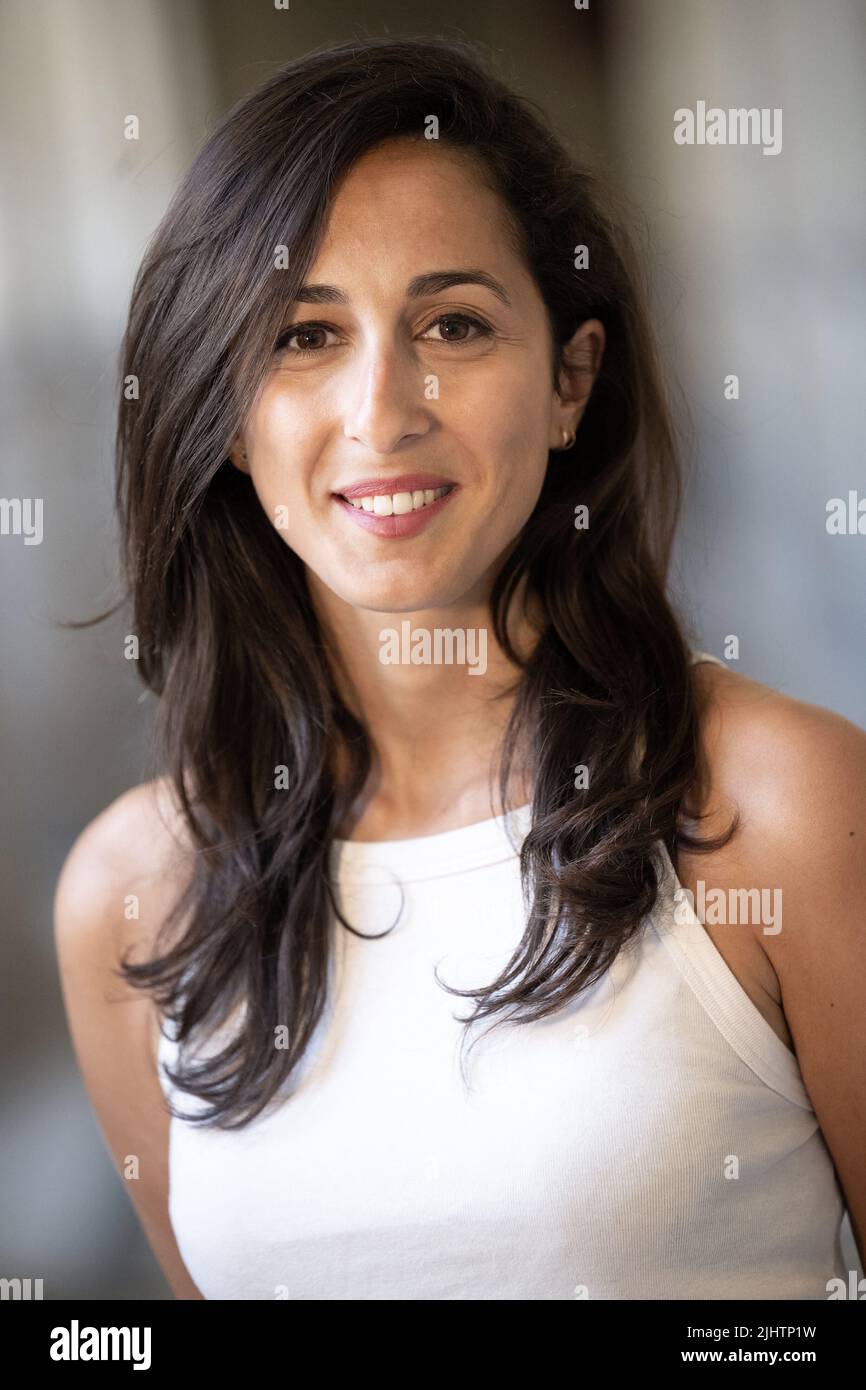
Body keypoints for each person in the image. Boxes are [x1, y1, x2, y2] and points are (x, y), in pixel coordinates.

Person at [54, 35, 865, 1300]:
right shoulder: (130, 893)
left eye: (453, 322)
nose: (383, 410)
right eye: (303, 336)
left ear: (567, 382)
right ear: (222, 409)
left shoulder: (786, 804)